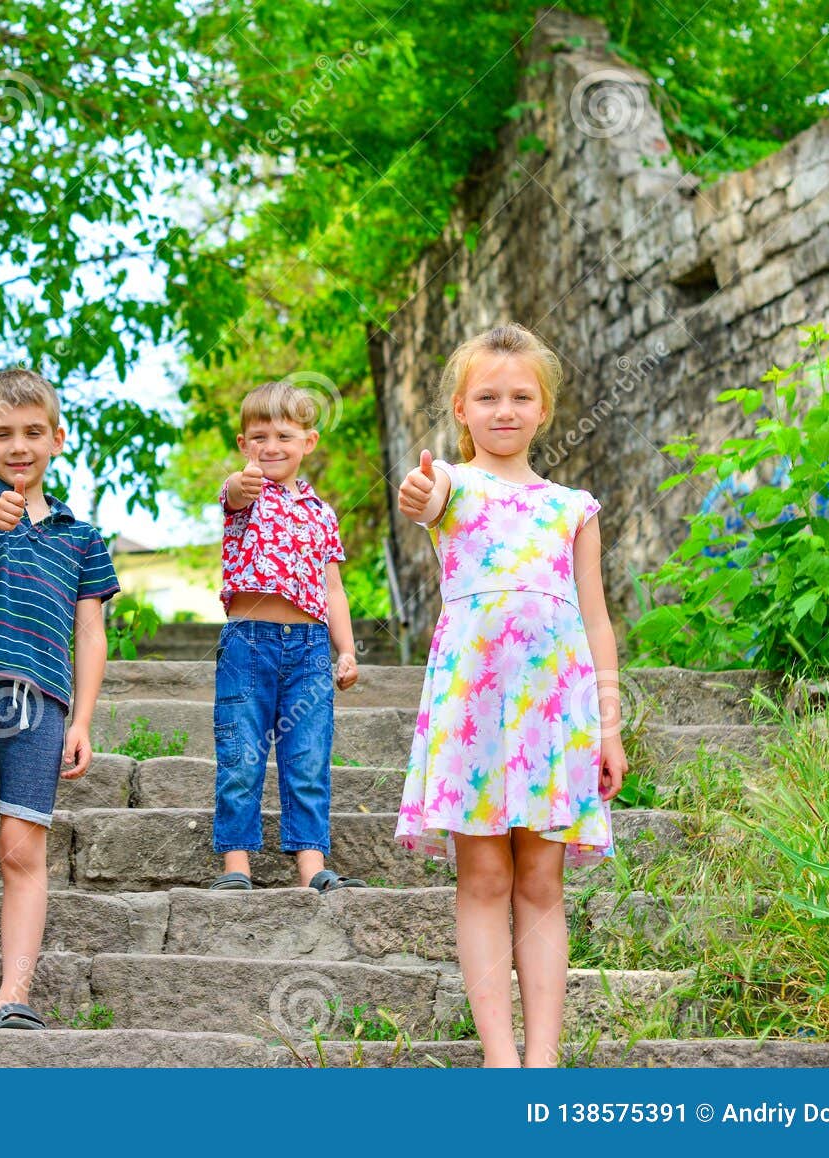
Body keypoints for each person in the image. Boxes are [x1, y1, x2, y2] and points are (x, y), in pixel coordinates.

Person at [393, 323, 625, 1067]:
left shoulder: (573, 508)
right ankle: (500, 1055)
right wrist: (423, 491)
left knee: (542, 879)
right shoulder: (457, 486)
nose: (504, 409)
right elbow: (428, 499)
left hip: (557, 714)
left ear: (545, 408)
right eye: (486, 396)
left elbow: (595, 618)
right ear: (460, 409)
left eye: (521, 395)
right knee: (485, 875)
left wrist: (610, 727)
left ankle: (544, 1055)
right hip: (473, 714)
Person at [0, 369, 118, 1030]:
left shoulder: (82, 538)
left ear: (57, 438)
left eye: (33, 432)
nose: (19, 445)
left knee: (21, 848)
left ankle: (14, 992)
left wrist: (84, 719)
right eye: (2, 434)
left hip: (43, 702)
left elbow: (90, 632)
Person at [210, 379, 365, 894]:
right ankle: (236, 865)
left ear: (309, 442)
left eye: (283, 436)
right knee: (241, 755)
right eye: (257, 437)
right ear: (242, 445)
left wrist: (345, 649)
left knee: (308, 758)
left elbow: (333, 588)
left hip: (310, 649)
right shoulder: (244, 494)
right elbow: (232, 493)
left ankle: (311, 866)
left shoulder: (322, 513)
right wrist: (240, 483)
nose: (270, 447)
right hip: (247, 644)